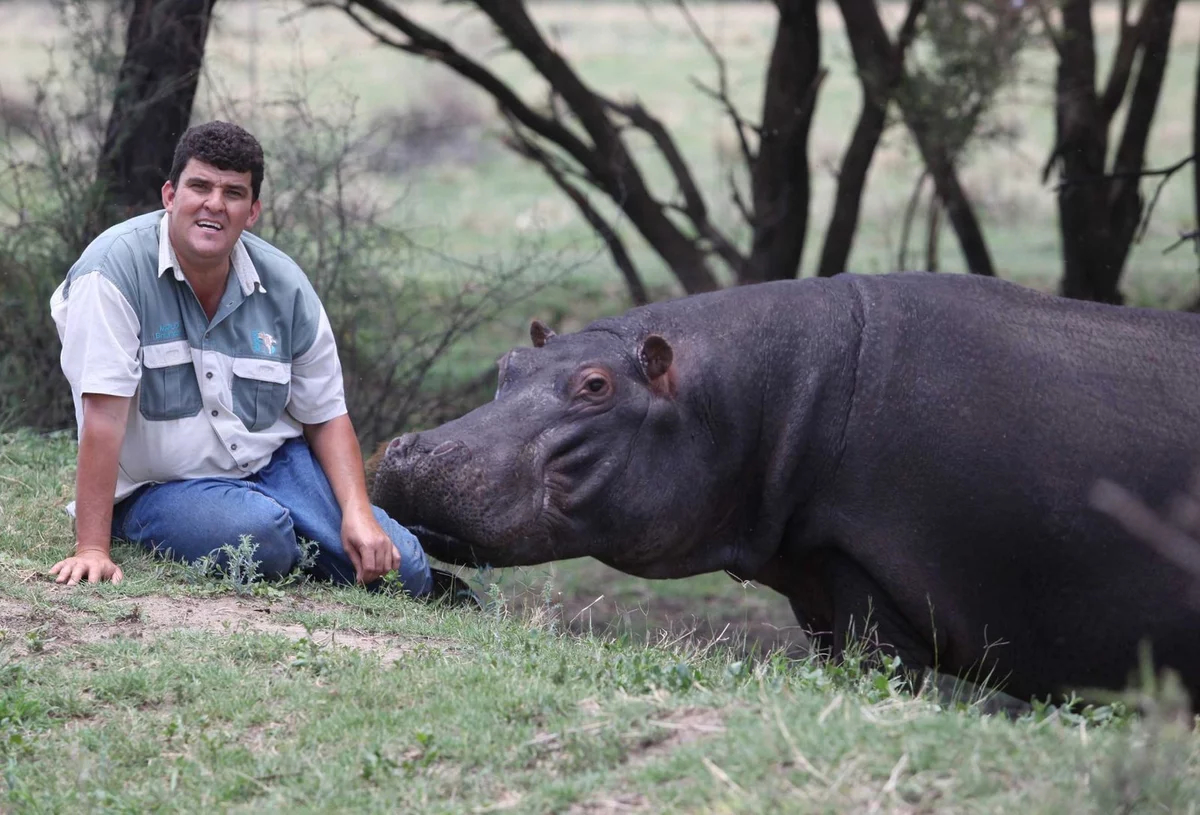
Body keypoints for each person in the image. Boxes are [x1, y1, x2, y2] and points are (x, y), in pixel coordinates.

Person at [47, 120, 456, 600]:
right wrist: (92, 548)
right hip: (158, 485)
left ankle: (307, 533)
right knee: (261, 539)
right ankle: (174, 527)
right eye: (199, 186)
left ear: (253, 210)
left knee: (400, 569)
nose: (214, 204)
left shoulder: (285, 284)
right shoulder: (111, 272)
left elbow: (326, 415)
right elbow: (103, 416)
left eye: (233, 193)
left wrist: (358, 514)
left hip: (274, 464)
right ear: (169, 195)